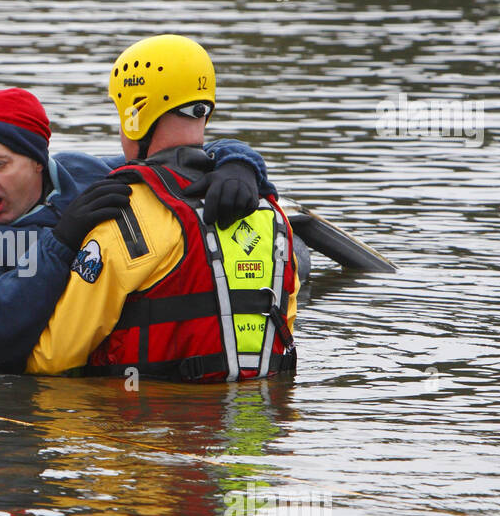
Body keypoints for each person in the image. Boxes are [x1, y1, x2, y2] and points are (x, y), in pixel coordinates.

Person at [0, 86, 277, 371]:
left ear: (39, 163)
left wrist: (239, 164)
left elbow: (179, 154)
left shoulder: (85, 175)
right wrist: (60, 244)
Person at [27, 34, 300, 382]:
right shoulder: (272, 216)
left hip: (145, 429)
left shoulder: (122, 218)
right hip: (257, 429)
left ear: (134, 117)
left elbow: (53, 359)